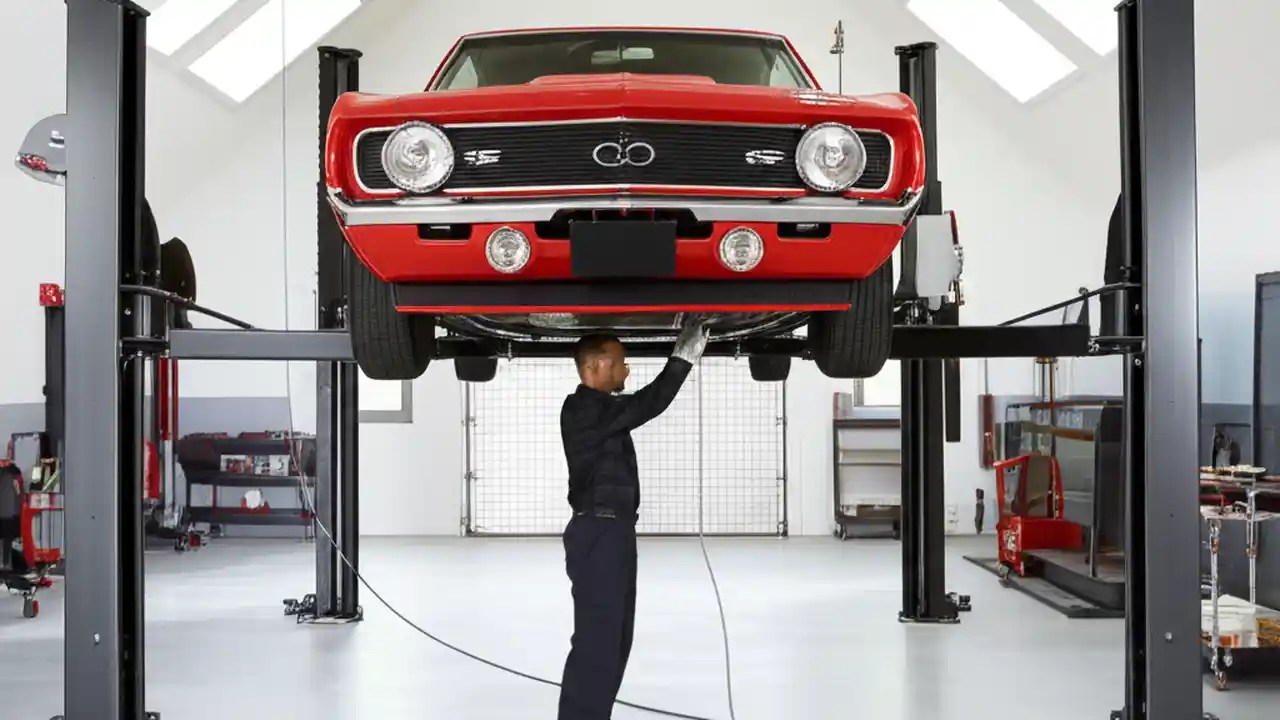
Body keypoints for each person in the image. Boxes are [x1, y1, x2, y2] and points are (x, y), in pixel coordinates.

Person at [557, 316, 710, 720]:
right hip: (597, 534)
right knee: (597, 641)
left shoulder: (603, 411)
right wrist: (681, 359)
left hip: (615, 533)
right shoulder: (582, 409)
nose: (626, 370)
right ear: (597, 366)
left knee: (616, 639)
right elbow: (648, 403)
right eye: (621, 362)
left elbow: (639, 406)